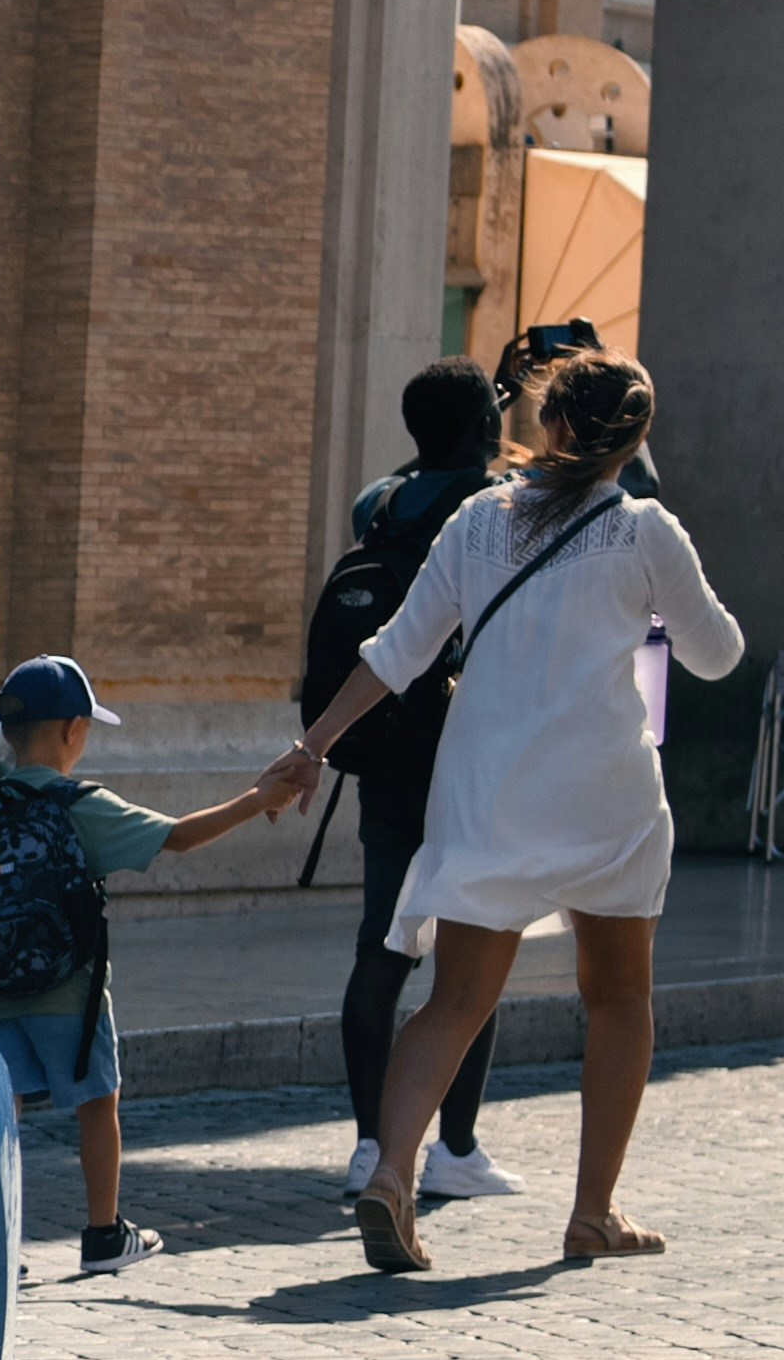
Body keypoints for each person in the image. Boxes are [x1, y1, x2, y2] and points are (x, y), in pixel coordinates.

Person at [260, 350, 743, 1276]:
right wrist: (650, 614)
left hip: (488, 789)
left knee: (454, 998)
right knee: (620, 999)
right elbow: (718, 654)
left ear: (548, 420)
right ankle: (592, 1212)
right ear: (632, 438)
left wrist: (311, 745)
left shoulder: (477, 521)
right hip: (604, 796)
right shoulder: (644, 529)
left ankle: (393, 1173)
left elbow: (396, 652)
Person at [0, 656, 306, 1270]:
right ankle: (104, 1234)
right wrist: (257, 798)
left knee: (6, 1110)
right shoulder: (82, 805)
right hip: (70, 997)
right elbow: (181, 836)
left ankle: (1, 1244)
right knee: (96, 1103)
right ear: (73, 731)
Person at [297, 363, 525, 1212]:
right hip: (465, 758)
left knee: (380, 950)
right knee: (475, 952)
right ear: (480, 424)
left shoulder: (379, 507)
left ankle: (368, 1143)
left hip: (385, 754)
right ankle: (455, 1149)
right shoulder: (496, 506)